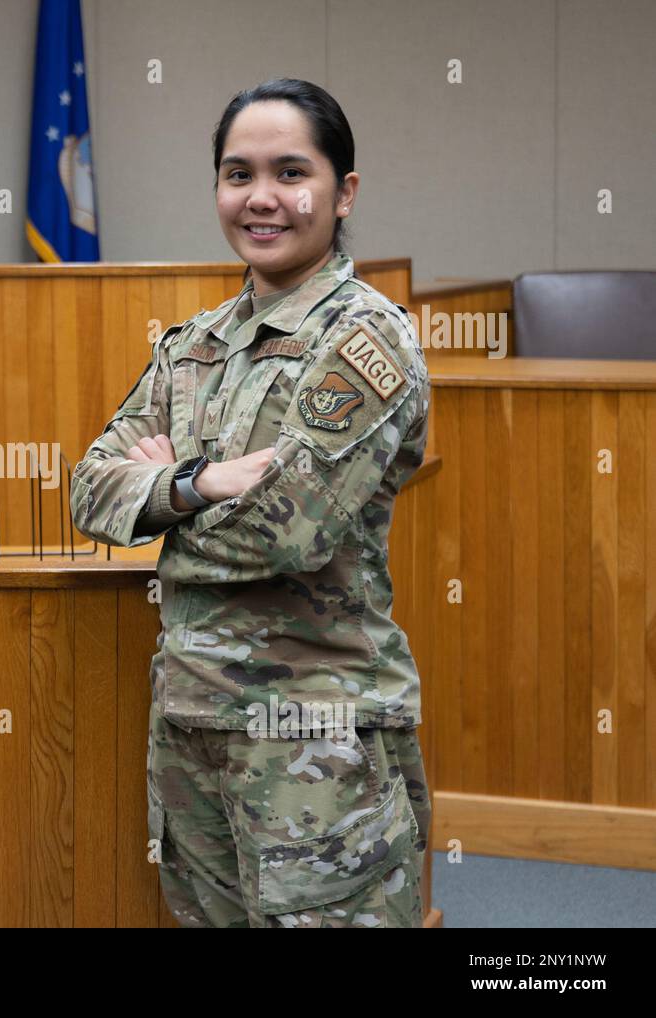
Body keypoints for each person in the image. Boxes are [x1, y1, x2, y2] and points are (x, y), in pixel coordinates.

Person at [70, 78, 432, 928]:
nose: (261, 198)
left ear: (343, 194)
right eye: (238, 174)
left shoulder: (365, 340)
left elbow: (284, 536)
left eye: (289, 172)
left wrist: (155, 504)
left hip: (316, 740)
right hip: (191, 720)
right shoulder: (193, 346)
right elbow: (87, 490)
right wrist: (201, 484)